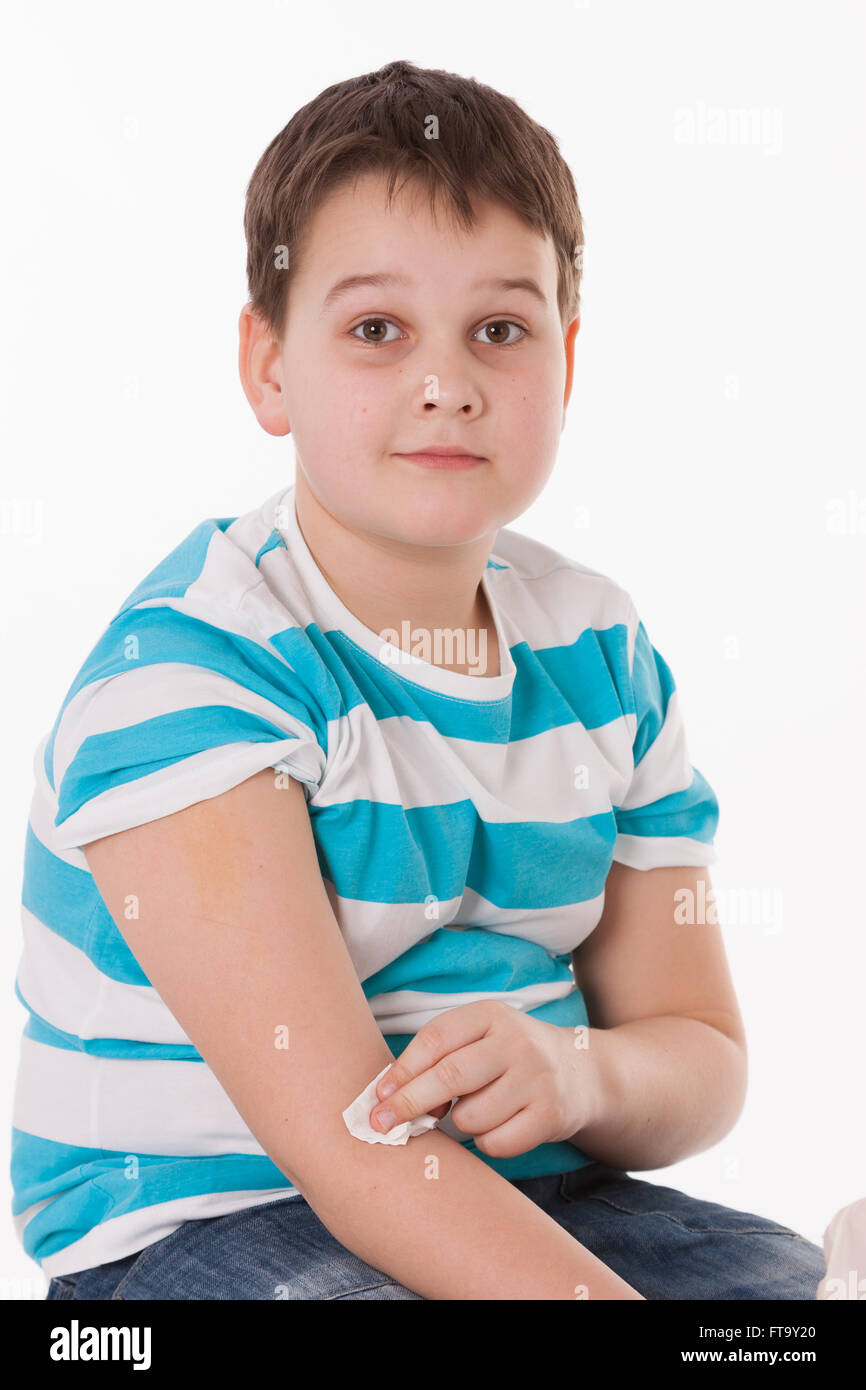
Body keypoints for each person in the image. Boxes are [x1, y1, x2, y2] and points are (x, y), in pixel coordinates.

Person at [15, 59, 825, 1300]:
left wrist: (580, 1076)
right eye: (375, 330)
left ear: (566, 359)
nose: (445, 381)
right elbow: (357, 1147)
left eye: (499, 329)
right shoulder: (190, 677)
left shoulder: (600, 658)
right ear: (270, 365)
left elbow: (700, 1051)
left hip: (542, 1194)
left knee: (777, 1291)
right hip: (226, 1220)